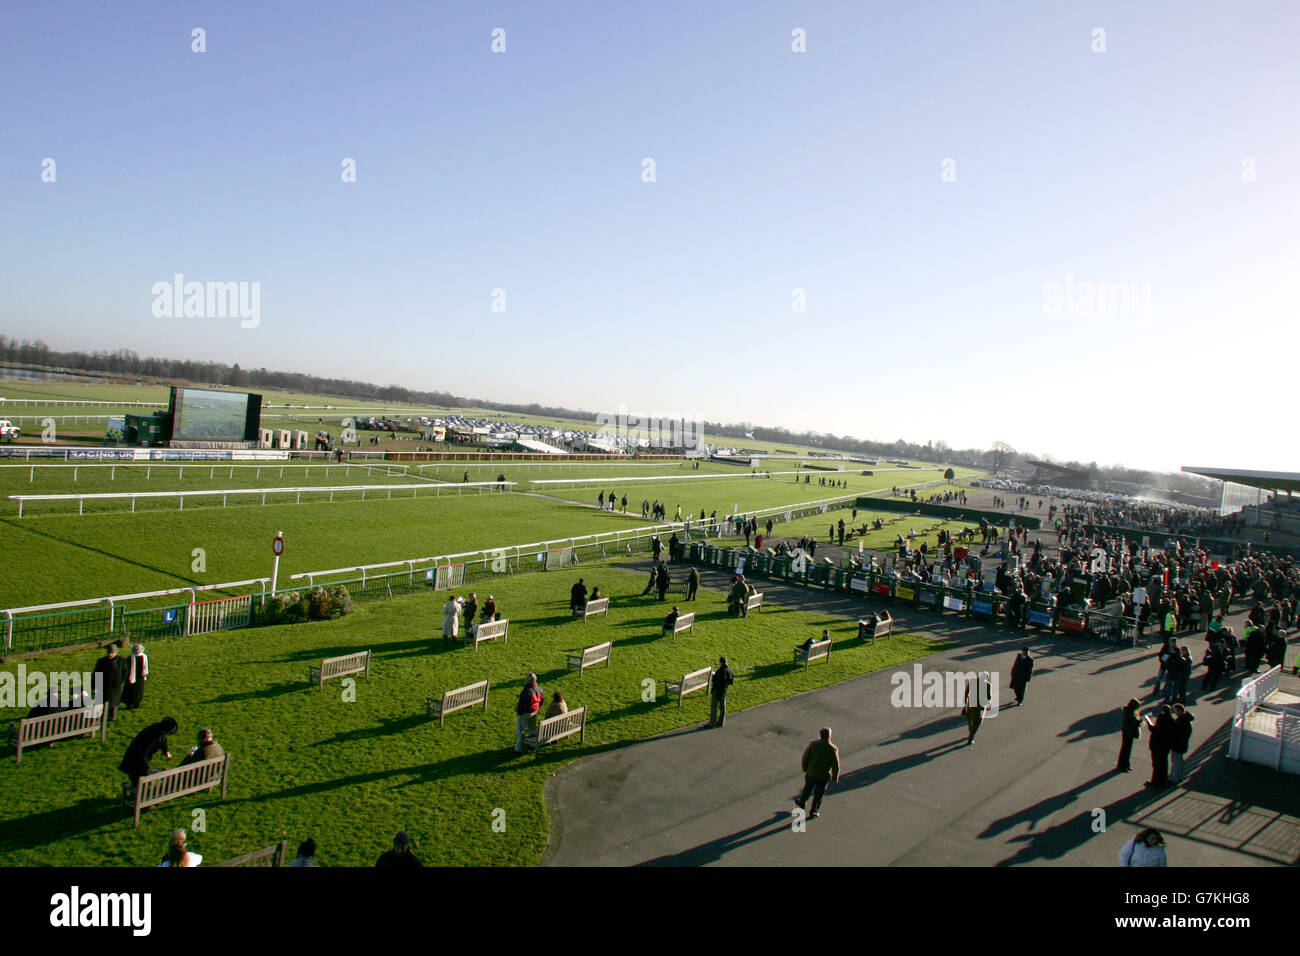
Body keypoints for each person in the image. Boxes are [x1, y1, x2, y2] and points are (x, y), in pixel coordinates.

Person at [119, 717, 177, 799]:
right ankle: (138, 798)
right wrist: (146, 769)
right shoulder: (151, 735)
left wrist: (165, 751)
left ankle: (138, 797)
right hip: (134, 760)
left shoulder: (159, 730)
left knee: (141, 780)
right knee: (138, 779)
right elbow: (142, 754)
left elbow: (163, 740)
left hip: (140, 759)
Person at [795, 728, 840, 819]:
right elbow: (836, 764)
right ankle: (813, 811)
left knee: (807, 789)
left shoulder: (813, 745)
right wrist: (835, 777)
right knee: (818, 794)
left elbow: (806, 757)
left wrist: (805, 768)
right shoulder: (833, 748)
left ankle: (802, 802)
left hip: (811, 772)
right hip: (823, 775)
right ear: (829, 736)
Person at [92, 642, 128, 722]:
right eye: (109, 653)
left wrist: (120, 681)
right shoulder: (101, 661)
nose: (110, 655)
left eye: (112, 653)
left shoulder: (122, 661)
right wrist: (94, 686)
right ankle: (100, 716)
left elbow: (125, 672)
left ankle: (112, 717)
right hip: (103, 685)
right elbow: (96, 674)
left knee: (114, 702)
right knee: (101, 701)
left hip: (115, 686)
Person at [1144, 705, 1175, 788]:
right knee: (1163, 764)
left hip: (1157, 745)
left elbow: (1156, 731)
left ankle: (1155, 782)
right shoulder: (1172, 720)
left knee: (1156, 764)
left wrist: (1149, 724)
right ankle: (1162, 781)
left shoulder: (1162, 718)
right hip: (1166, 746)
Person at [514, 673, 544, 753]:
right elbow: (541, 701)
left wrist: (519, 712)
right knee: (533, 729)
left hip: (526, 713)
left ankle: (518, 749)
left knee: (520, 731)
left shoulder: (526, 691)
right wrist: (536, 708)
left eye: (526, 678)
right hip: (534, 711)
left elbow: (522, 704)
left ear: (529, 681)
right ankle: (533, 744)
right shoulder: (540, 689)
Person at [962, 674, 992, 745]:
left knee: (970, 719)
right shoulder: (988, 685)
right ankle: (971, 736)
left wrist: (964, 705)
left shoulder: (972, 681)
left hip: (971, 705)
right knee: (977, 722)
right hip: (981, 707)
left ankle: (971, 732)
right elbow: (989, 697)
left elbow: (966, 693)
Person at [1169, 705, 1195, 784]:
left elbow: (1177, 733)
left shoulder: (1182, 722)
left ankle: (1175, 778)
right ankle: (1179, 776)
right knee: (1179, 761)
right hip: (1182, 744)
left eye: (1176, 711)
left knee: (1176, 761)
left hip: (1178, 744)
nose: (1175, 713)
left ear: (1180, 711)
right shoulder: (1186, 720)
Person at [708, 656, 734, 728]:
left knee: (714, 706)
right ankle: (721, 722)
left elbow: (715, 680)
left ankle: (712, 723)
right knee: (722, 706)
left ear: (721, 662)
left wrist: (714, 676)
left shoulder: (720, 671)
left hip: (717, 690)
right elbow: (731, 682)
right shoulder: (730, 671)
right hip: (724, 690)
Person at [1117, 698, 1142, 773]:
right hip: (1128, 733)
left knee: (1126, 749)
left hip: (1127, 732)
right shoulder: (1130, 713)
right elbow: (1131, 723)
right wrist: (1139, 721)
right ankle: (1123, 765)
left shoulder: (1128, 711)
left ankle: (1125, 764)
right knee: (1126, 750)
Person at [121, 643, 149, 710]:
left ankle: (130, 704)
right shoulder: (144, 657)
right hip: (139, 677)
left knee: (132, 691)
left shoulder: (130, 658)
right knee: (137, 691)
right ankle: (135, 704)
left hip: (134, 677)